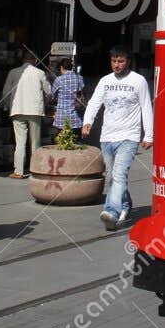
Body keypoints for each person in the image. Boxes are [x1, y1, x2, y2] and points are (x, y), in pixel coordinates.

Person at [82, 43, 153, 230]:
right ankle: (126, 204)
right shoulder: (105, 81)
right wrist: (87, 121)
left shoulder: (138, 81)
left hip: (129, 136)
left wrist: (149, 135)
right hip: (107, 136)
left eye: (121, 61)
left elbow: (146, 107)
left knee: (119, 175)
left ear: (128, 61)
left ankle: (111, 213)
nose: (117, 64)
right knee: (113, 177)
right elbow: (95, 102)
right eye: (114, 60)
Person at [1, 46, 51, 179]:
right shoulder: (39, 73)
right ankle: (35, 170)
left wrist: (5, 106)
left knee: (20, 142)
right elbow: (49, 91)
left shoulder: (13, 72)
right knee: (35, 142)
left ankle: (18, 171)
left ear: (23, 59)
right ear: (34, 60)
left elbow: (5, 92)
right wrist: (46, 103)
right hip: (35, 110)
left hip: (17, 109)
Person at [51, 58, 84, 132]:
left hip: (62, 118)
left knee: (63, 141)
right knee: (77, 140)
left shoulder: (59, 79)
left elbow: (52, 96)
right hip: (76, 117)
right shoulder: (79, 78)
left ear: (61, 67)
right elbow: (82, 93)